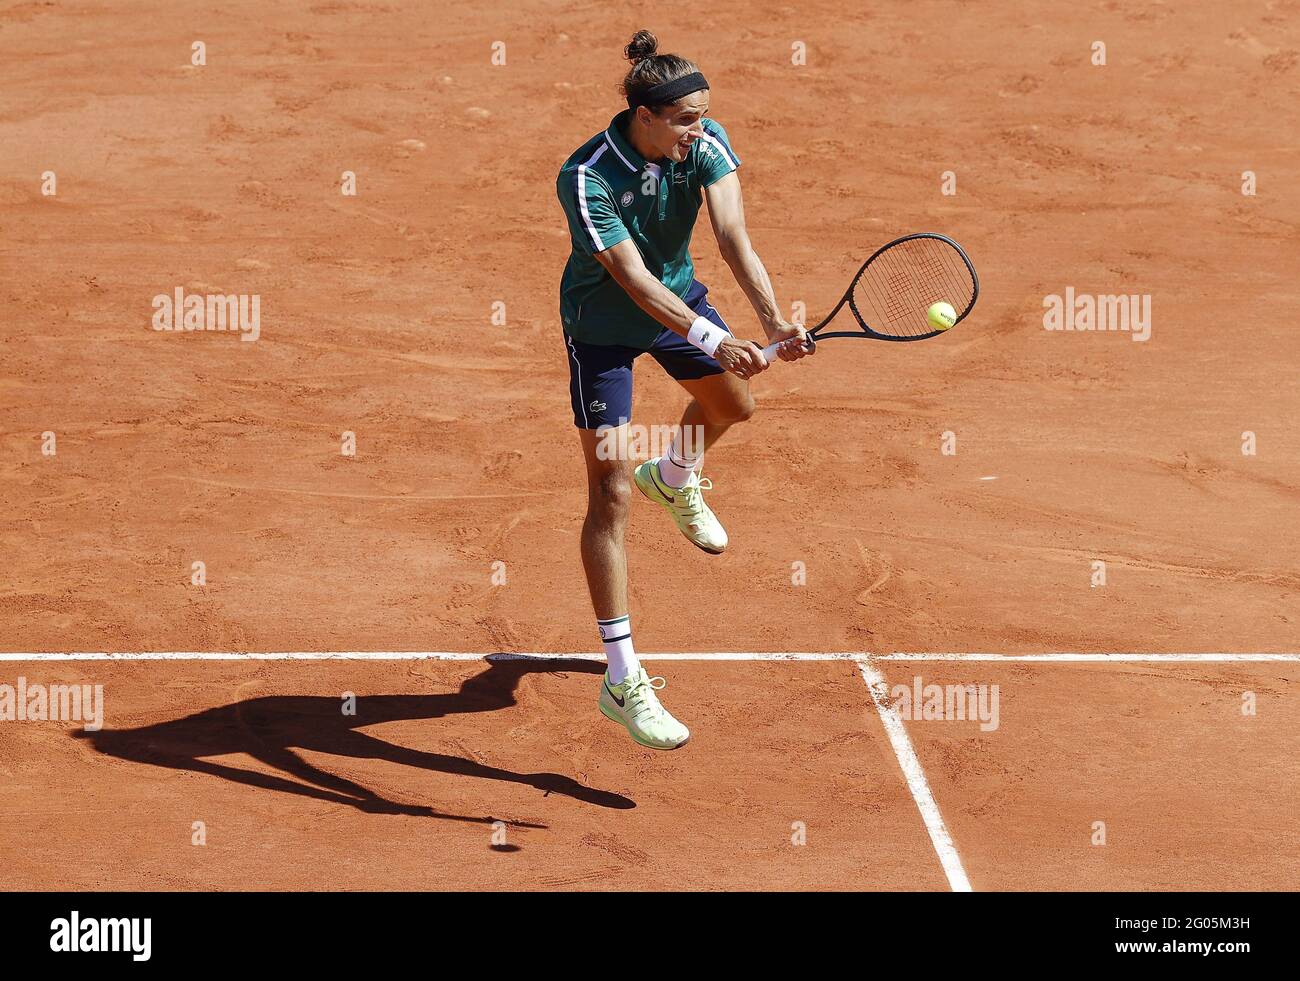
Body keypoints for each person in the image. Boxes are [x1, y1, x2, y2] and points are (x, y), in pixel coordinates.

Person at [555, 29, 812, 750]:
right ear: (646, 115)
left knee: (733, 404)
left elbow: (731, 232)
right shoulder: (588, 175)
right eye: (687, 119)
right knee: (608, 489)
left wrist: (772, 321)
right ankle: (622, 677)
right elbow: (631, 281)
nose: (700, 131)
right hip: (604, 328)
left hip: (678, 301)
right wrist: (711, 337)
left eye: (704, 116)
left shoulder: (703, 145)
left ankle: (674, 474)